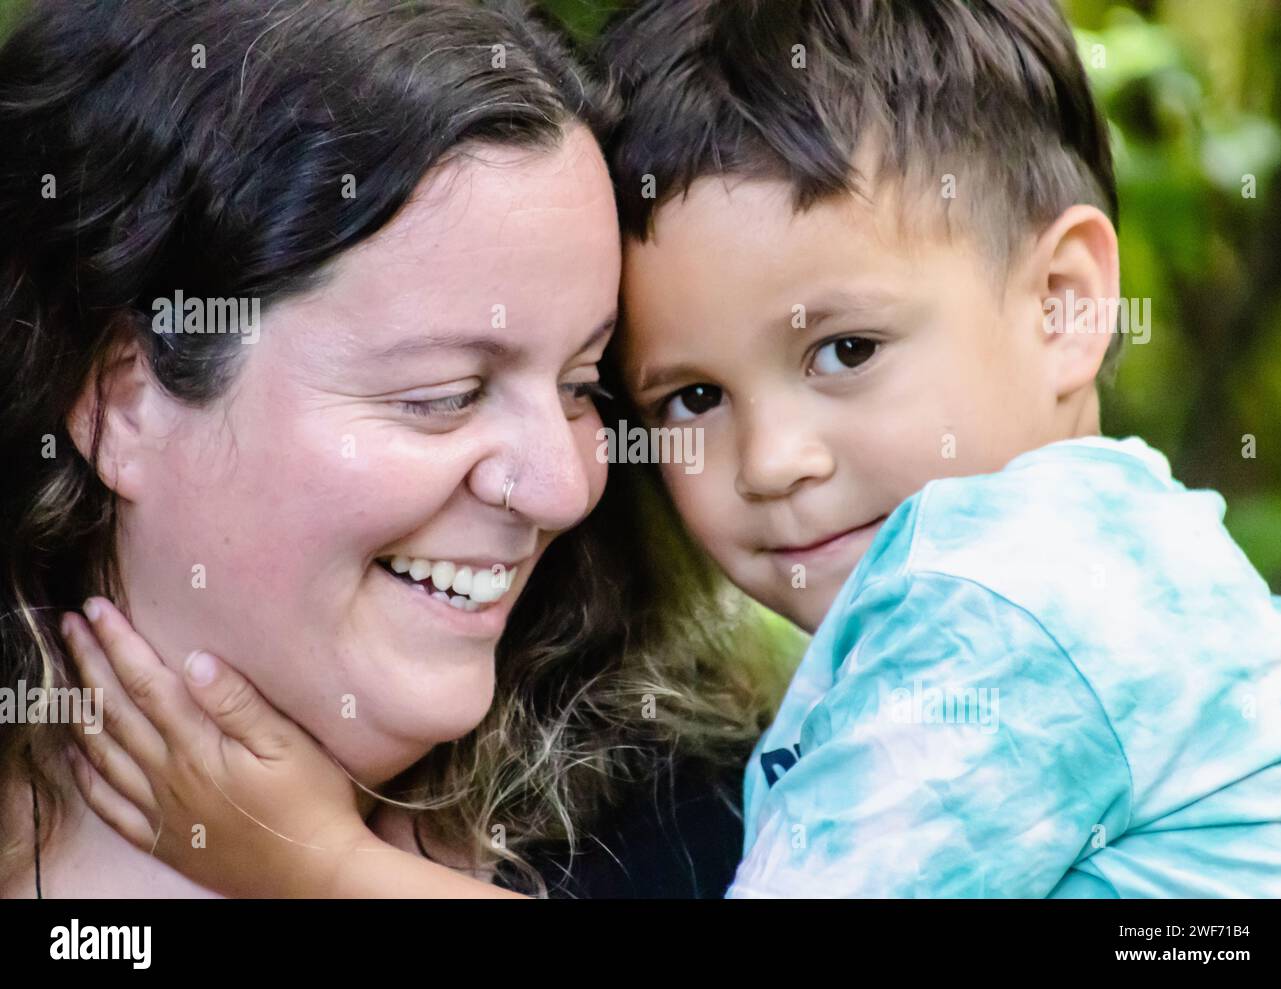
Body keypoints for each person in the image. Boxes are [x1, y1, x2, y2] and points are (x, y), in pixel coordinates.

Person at [59, 0, 1281, 898]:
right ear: (121, 394)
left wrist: (317, 866)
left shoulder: (1006, 611)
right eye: (686, 396)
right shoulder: (1101, 575)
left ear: (1066, 300)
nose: (773, 460)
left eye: (845, 352)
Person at [0, 0, 790, 900]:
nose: (563, 488)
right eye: (442, 397)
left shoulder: (724, 836)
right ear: (121, 403)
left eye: (582, 386)